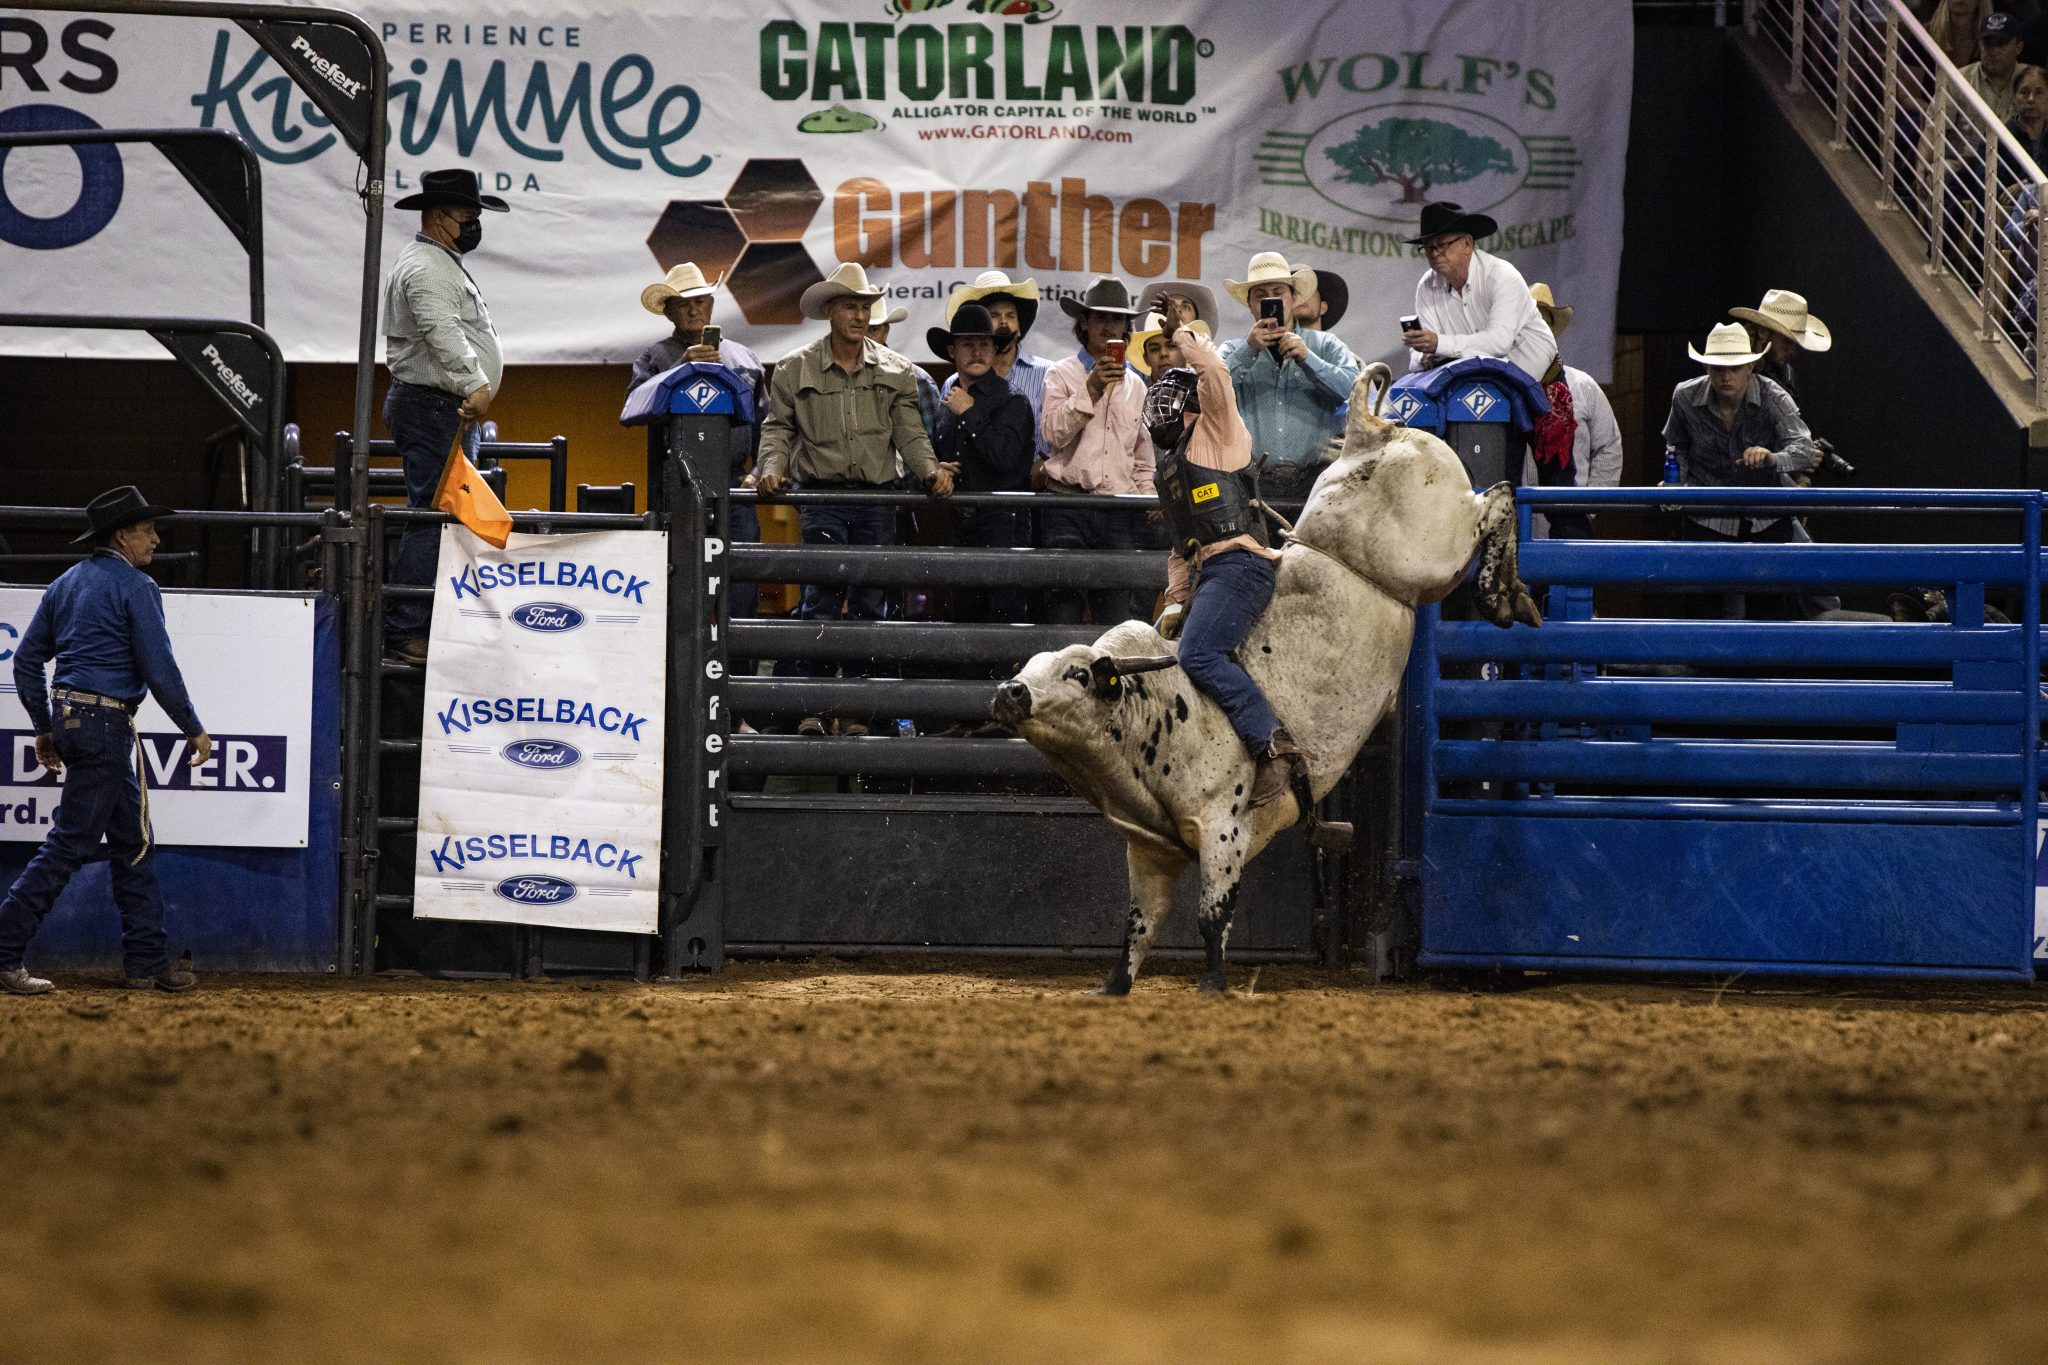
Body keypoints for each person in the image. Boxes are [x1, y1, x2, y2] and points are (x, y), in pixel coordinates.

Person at [0, 487, 212, 996]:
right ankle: (4, 951)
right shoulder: (137, 587)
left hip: (77, 722)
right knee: (72, 843)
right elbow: (158, 666)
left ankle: (146, 961)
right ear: (123, 535)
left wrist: (45, 727)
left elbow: (28, 661)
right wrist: (192, 726)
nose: (156, 539)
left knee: (131, 842)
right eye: (147, 530)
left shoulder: (65, 584)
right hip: (106, 724)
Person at [755, 264, 955, 720]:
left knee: (870, 602)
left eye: (864, 307)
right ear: (830, 311)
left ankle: (858, 712)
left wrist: (929, 472)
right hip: (821, 499)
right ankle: (817, 710)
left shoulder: (897, 370)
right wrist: (771, 468)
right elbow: (777, 431)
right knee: (820, 601)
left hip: (874, 500)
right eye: (851, 306)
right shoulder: (793, 369)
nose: (860, 316)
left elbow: (911, 435)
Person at [1145, 328, 1303, 809]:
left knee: (1199, 654)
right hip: (1207, 574)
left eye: (1173, 398)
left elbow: (1214, 371)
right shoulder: (1169, 469)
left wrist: (1181, 336)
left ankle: (1273, 743)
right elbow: (1178, 548)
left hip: (1241, 565)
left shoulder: (1220, 432)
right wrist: (1174, 602)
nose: (1162, 406)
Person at [379, 168, 508, 667]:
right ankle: (406, 627)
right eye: (467, 217)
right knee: (436, 513)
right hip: (434, 405)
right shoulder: (430, 268)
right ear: (437, 218)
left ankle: (416, 622)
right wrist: (474, 381)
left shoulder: (435, 261)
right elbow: (441, 330)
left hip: (436, 405)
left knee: (439, 511)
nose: (474, 225)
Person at [1662, 323, 1820, 617]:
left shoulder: (1773, 396)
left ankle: (1763, 662)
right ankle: (1706, 664)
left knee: (1770, 609)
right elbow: (1676, 447)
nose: (1726, 376)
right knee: (1702, 609)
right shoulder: (1685, 396)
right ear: (1707, 367)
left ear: (1750, 366)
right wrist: (1675, 484)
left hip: (1766, 516)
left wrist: (1772, 458)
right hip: (1707, 515)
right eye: (1718, 367)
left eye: (1734, 367)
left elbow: (1804, 450)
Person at [1039, 277, 1155, 626]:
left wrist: (1147, 497)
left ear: (1126, 327)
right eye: (1101, 317)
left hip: (1118, 508)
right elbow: (1052, 434)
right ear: (1084, 323)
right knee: (1062, 611)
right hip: (1067, 504)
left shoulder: (1136, 384)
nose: (1109, 326)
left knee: (1116, 618)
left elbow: (1142, 454)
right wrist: (1091, 387)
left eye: (1117, 319)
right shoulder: (1061, 374)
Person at [630, 261, 766, 539]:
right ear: (669, 312)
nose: (694, 310)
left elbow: (766, 424)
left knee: (741, 570)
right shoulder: (654, 357)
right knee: (680, 569)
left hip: (735, 482)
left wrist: (758, 470)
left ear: (712, 305)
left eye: (700, 301)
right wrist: (681, 368)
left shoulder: (745, 359)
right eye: (683, 304)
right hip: (675, 482)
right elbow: (634, 407)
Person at [1217, 252, 1360, 494]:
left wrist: (1308, 359)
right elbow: (1211, 392)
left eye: (1278, 292)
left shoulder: (1326, 345)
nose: (1270, 300)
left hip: (1317, 484)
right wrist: (1249, 349)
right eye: (1260, 296)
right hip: (1250, 484)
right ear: (1250, 305)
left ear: (1293, 298)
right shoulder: (1231, 350)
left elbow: (1353, 390)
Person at [931, 303, 1037, 628]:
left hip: (1004, 524)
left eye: (984, 344)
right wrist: (937, 469)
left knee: (1004, 619)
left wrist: (969, 412)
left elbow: (1004, 458)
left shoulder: (1013, 400)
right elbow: (937, 452)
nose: (977, 352)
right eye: (967, 344)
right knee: (966, 620)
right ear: (953, 350)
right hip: (962, 525)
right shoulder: (948, 401)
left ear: (994, 350)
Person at [1403, 201, 1557, 384]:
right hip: (1474, 380)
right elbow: (1422, 352)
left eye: (1442, 245)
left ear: (1467, 243)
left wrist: (1439, 344)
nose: (1435, 253)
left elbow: (1499, 342)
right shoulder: (1426, 287)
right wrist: (1424, 357)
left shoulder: (1502, 276)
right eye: (1429, 247)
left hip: (1527, 368)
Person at [1522, 284, 1622, 539]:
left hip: (1571, 523)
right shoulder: (1502, 388)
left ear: (1551, 332)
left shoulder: (1583, 386)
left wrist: (1587, 507)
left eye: (1540, 326)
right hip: (1514, 525)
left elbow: (1609, 448)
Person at [942, 271, 1052, 459]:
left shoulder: (1047, 373)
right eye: (993, 315)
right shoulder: (954, 383)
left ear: (1019, 329)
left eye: (1010, 316)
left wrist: (1044, 467)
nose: (1003, 322)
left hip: (1038, 481)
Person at [866, 297, 943, 439]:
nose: (864, 337)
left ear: (885, 332)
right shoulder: (836, 377)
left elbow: (932, 446)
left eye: (873, 329)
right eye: (859, 329)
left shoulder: (918, 380)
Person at [1962, 11, 2028, 122]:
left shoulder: (2037, 82)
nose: (1993, 51)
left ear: (2019, 47)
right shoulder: (1959, 80)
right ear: (1979, 46)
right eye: (1987, 44)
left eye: (2001, 44)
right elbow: (1931, 131)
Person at [1128, 310, 1208, 383]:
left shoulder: (1204, 393)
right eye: (1154, 349)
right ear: (1146, 359)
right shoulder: (1138, 394)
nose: (1163, 353)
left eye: (1172, 346)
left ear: (1186, 352)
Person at [2008, 62, 2048, 167]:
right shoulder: (1999, 138)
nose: (2031, 99)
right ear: (2014, 98)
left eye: (2039, 93)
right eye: (2024, 92)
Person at [1291, 268, 1349, 336]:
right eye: (1293, 292)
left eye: (1308, 292)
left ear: (1323, 308)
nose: (1300, 297)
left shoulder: (1336, 346)